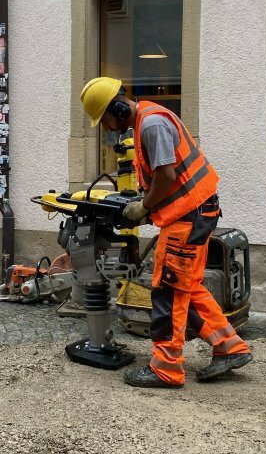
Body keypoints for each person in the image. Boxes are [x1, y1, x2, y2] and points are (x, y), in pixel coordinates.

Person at [79, 77, 253, 388]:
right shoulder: (148, 120)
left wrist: (142, 206)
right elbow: (164, 179)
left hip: (187, 217)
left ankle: (166, 368)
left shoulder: (151, 125)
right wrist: (146, 203)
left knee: (168, 292)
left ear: (117, 108)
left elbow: (166, 175)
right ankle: (230, 347)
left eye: (104, 120)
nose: (106, 128)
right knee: (188, 286)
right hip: (194, 213)